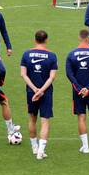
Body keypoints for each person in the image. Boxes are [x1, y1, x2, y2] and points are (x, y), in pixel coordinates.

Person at [20, 30, 58, 160]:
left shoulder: (26, 54)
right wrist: (41, 90)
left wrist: (35, 89)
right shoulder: (52, 56)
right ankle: (41, 151)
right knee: (45, 121)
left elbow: (23, 74)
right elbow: (52, 77)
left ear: (35, 40)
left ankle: (34, 147)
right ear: (46, 40)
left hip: (31, 92)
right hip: (46, 92)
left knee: (32, 118)